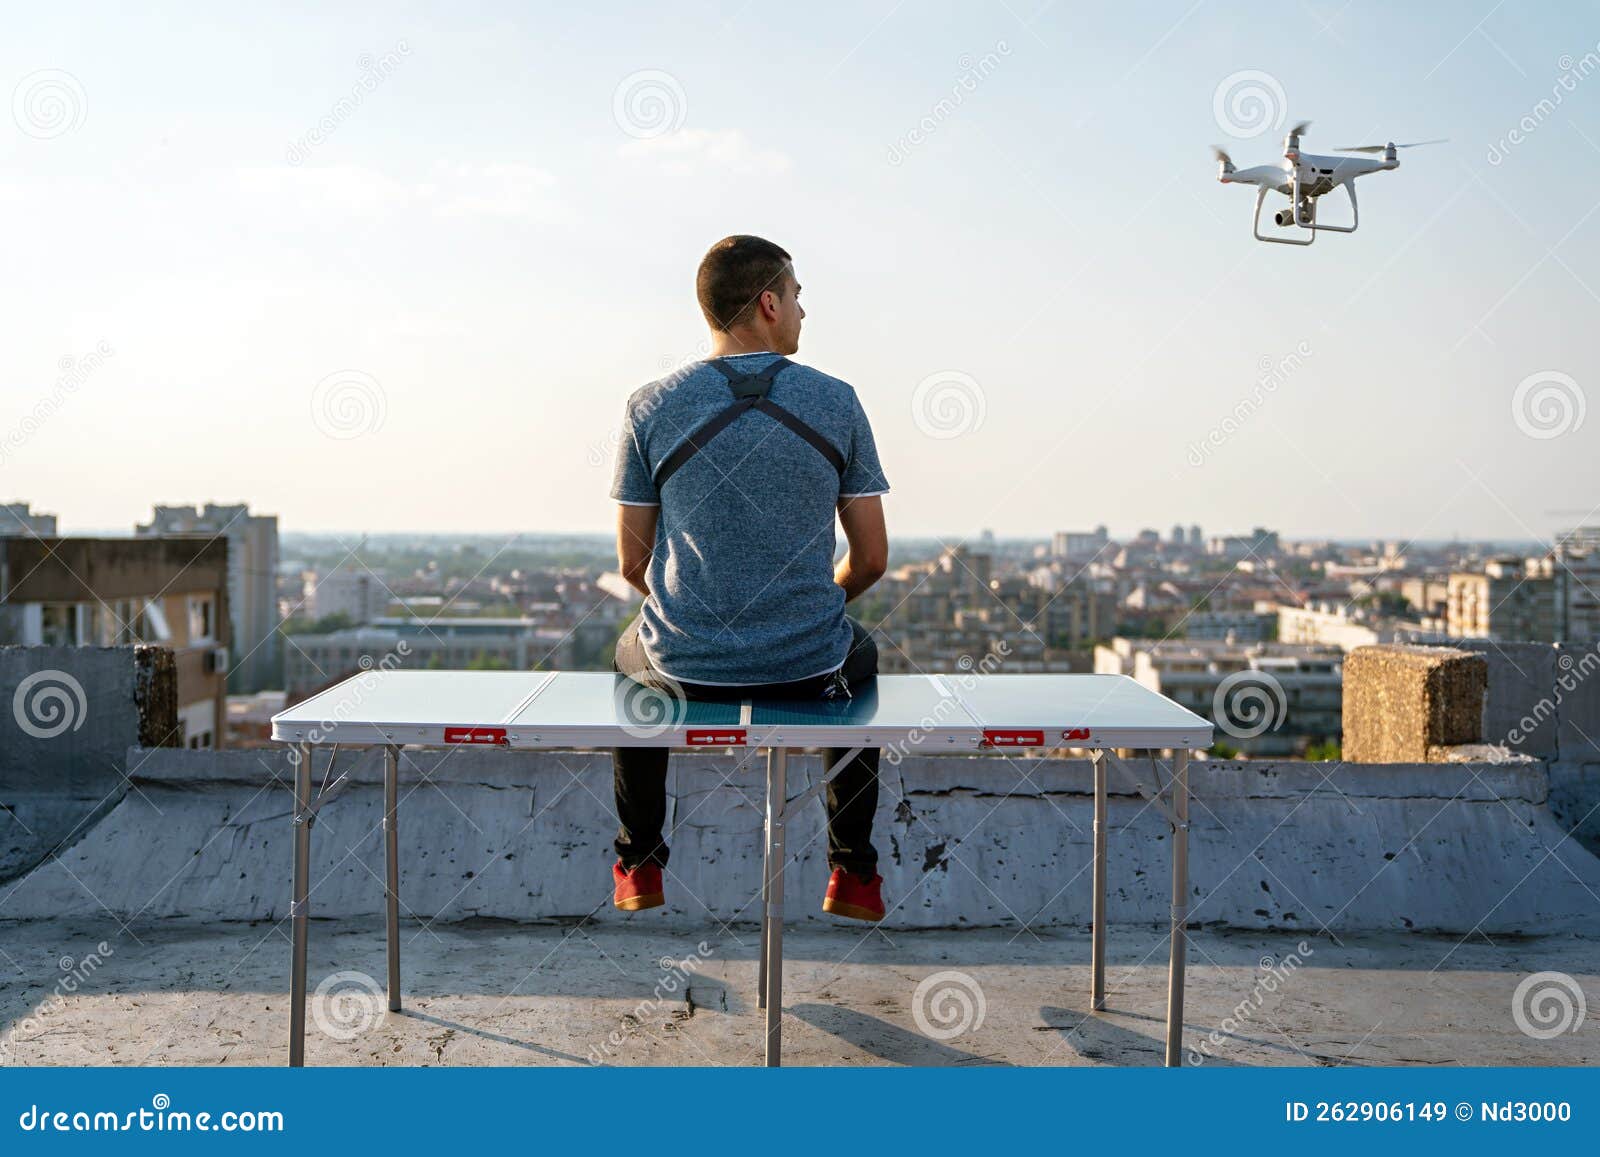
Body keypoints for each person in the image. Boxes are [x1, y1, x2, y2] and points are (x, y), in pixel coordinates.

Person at [608, 234, 891, 922]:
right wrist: (811, 609)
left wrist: (696, 614)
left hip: (684, 668)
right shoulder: (837, 401)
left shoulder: (649, 406)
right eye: (796, 296)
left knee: (626, 654)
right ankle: (852, 871)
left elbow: (633, 563)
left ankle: (639, 861)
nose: (802, 310)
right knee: (860, 653)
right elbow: (872, 559)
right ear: (768, 303)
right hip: (808, 666)